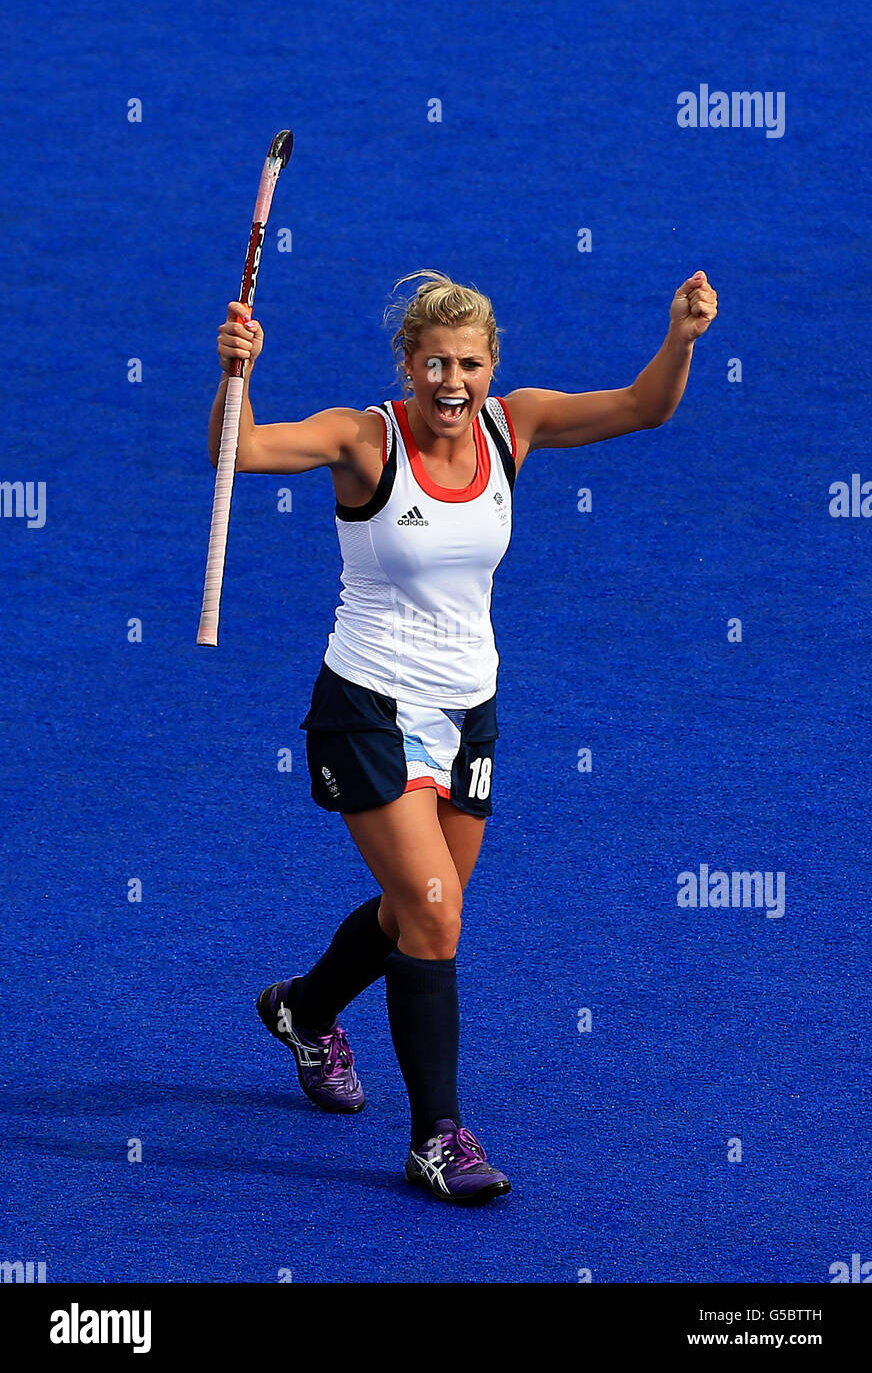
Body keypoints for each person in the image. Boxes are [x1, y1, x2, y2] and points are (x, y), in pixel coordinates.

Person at [209, 268, 718, 1204]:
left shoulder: (511, 426)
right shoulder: (364, 441)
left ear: (492, 369)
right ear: (408, 365)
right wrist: (236, 373)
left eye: (471, 364)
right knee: (437, 912)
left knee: (417, 916)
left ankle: (304, 1009)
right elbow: (237, 452)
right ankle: (436, 1139)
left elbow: (645, 407)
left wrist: (680, 336)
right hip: (365, 710)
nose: (454, 380)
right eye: (435, 362)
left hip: (469, 715)